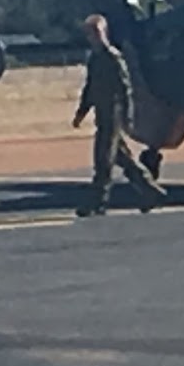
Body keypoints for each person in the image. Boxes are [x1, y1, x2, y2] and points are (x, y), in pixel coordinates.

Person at [73, 13, 165, 216]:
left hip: (114, 114)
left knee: (103, 160)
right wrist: (81, 111)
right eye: (90, 34)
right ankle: (151, 191)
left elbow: (126, 88)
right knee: (123, 159)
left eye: (96, 33)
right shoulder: (95, 59)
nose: (94, 37)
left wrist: (128, 116)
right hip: (102, 115)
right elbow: (90, 88)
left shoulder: (113, 57)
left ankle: (97, 201)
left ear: (104, 33)